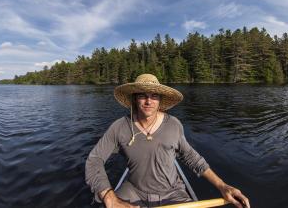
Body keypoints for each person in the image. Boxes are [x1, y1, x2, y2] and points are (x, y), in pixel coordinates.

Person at [85, 74, 250, 208]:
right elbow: (94, 160)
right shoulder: (119, 127)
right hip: (134, 191)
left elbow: (192, 158)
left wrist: (222, 186)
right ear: (135, 98)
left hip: (172, 193)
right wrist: (109, 196)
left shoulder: (173, 124)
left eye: (154, 96)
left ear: (160, 100)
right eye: (143, 95)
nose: (148, 101)